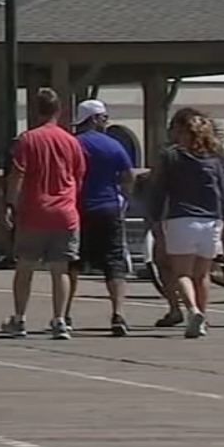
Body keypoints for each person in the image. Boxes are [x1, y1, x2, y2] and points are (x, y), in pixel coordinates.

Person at [2, 89, 86, 340]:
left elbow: (18, 175)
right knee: (60, 270)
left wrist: (10, 204)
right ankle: (60, 319)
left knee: (25, 267)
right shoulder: (71, 141)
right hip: (65, 212)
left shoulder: (27, 140)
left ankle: (20, 318)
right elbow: (78, 176)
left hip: (34, 211)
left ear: (35, 110)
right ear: (58, 110)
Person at [148, 108, 224, 338]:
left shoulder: (171, 156)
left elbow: (159, 190)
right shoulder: (215, 160)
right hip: (211, 221)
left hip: (181, 219)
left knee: (182, 273)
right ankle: (203, 317)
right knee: (202, 274)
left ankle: (191, 309)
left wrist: (155, 219)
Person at [71, 100, 136, 335]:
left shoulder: (74, 144)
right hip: (109, 207)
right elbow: (128, 176)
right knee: (114, 262)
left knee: (74, 262)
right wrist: (124, 199)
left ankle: (64, 314)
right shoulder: (114, 146)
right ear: (96, 119)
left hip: (79, 208)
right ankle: (118, 314)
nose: (107, 122)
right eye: (104, 117)